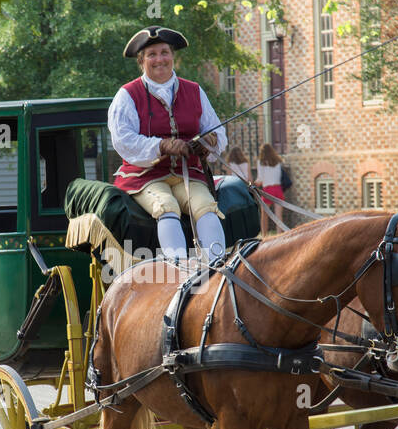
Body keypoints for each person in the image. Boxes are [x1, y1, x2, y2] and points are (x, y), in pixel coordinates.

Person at [108, 25, 228, 262]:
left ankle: (217, 267)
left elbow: (217, 132)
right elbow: (123, 140)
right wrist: (161, 146)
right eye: (152, 55)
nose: (159, 59)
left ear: (173, 56)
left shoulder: (194, 91)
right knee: (166, 206)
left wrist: (208, 142)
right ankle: (179, 270)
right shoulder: (127, 95)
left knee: (206, 207)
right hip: (145, 176)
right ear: (142, 61)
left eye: (164, 52)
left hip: (189, 174)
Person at [256, 142, 285, 235]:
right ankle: (280, 235)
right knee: (278, 216)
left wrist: (254, 184)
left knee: (264, 215)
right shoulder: (278, 161)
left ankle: (264, 235)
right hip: (278, 189)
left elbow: (260, 179)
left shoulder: (261, 162)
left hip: (267, 190)